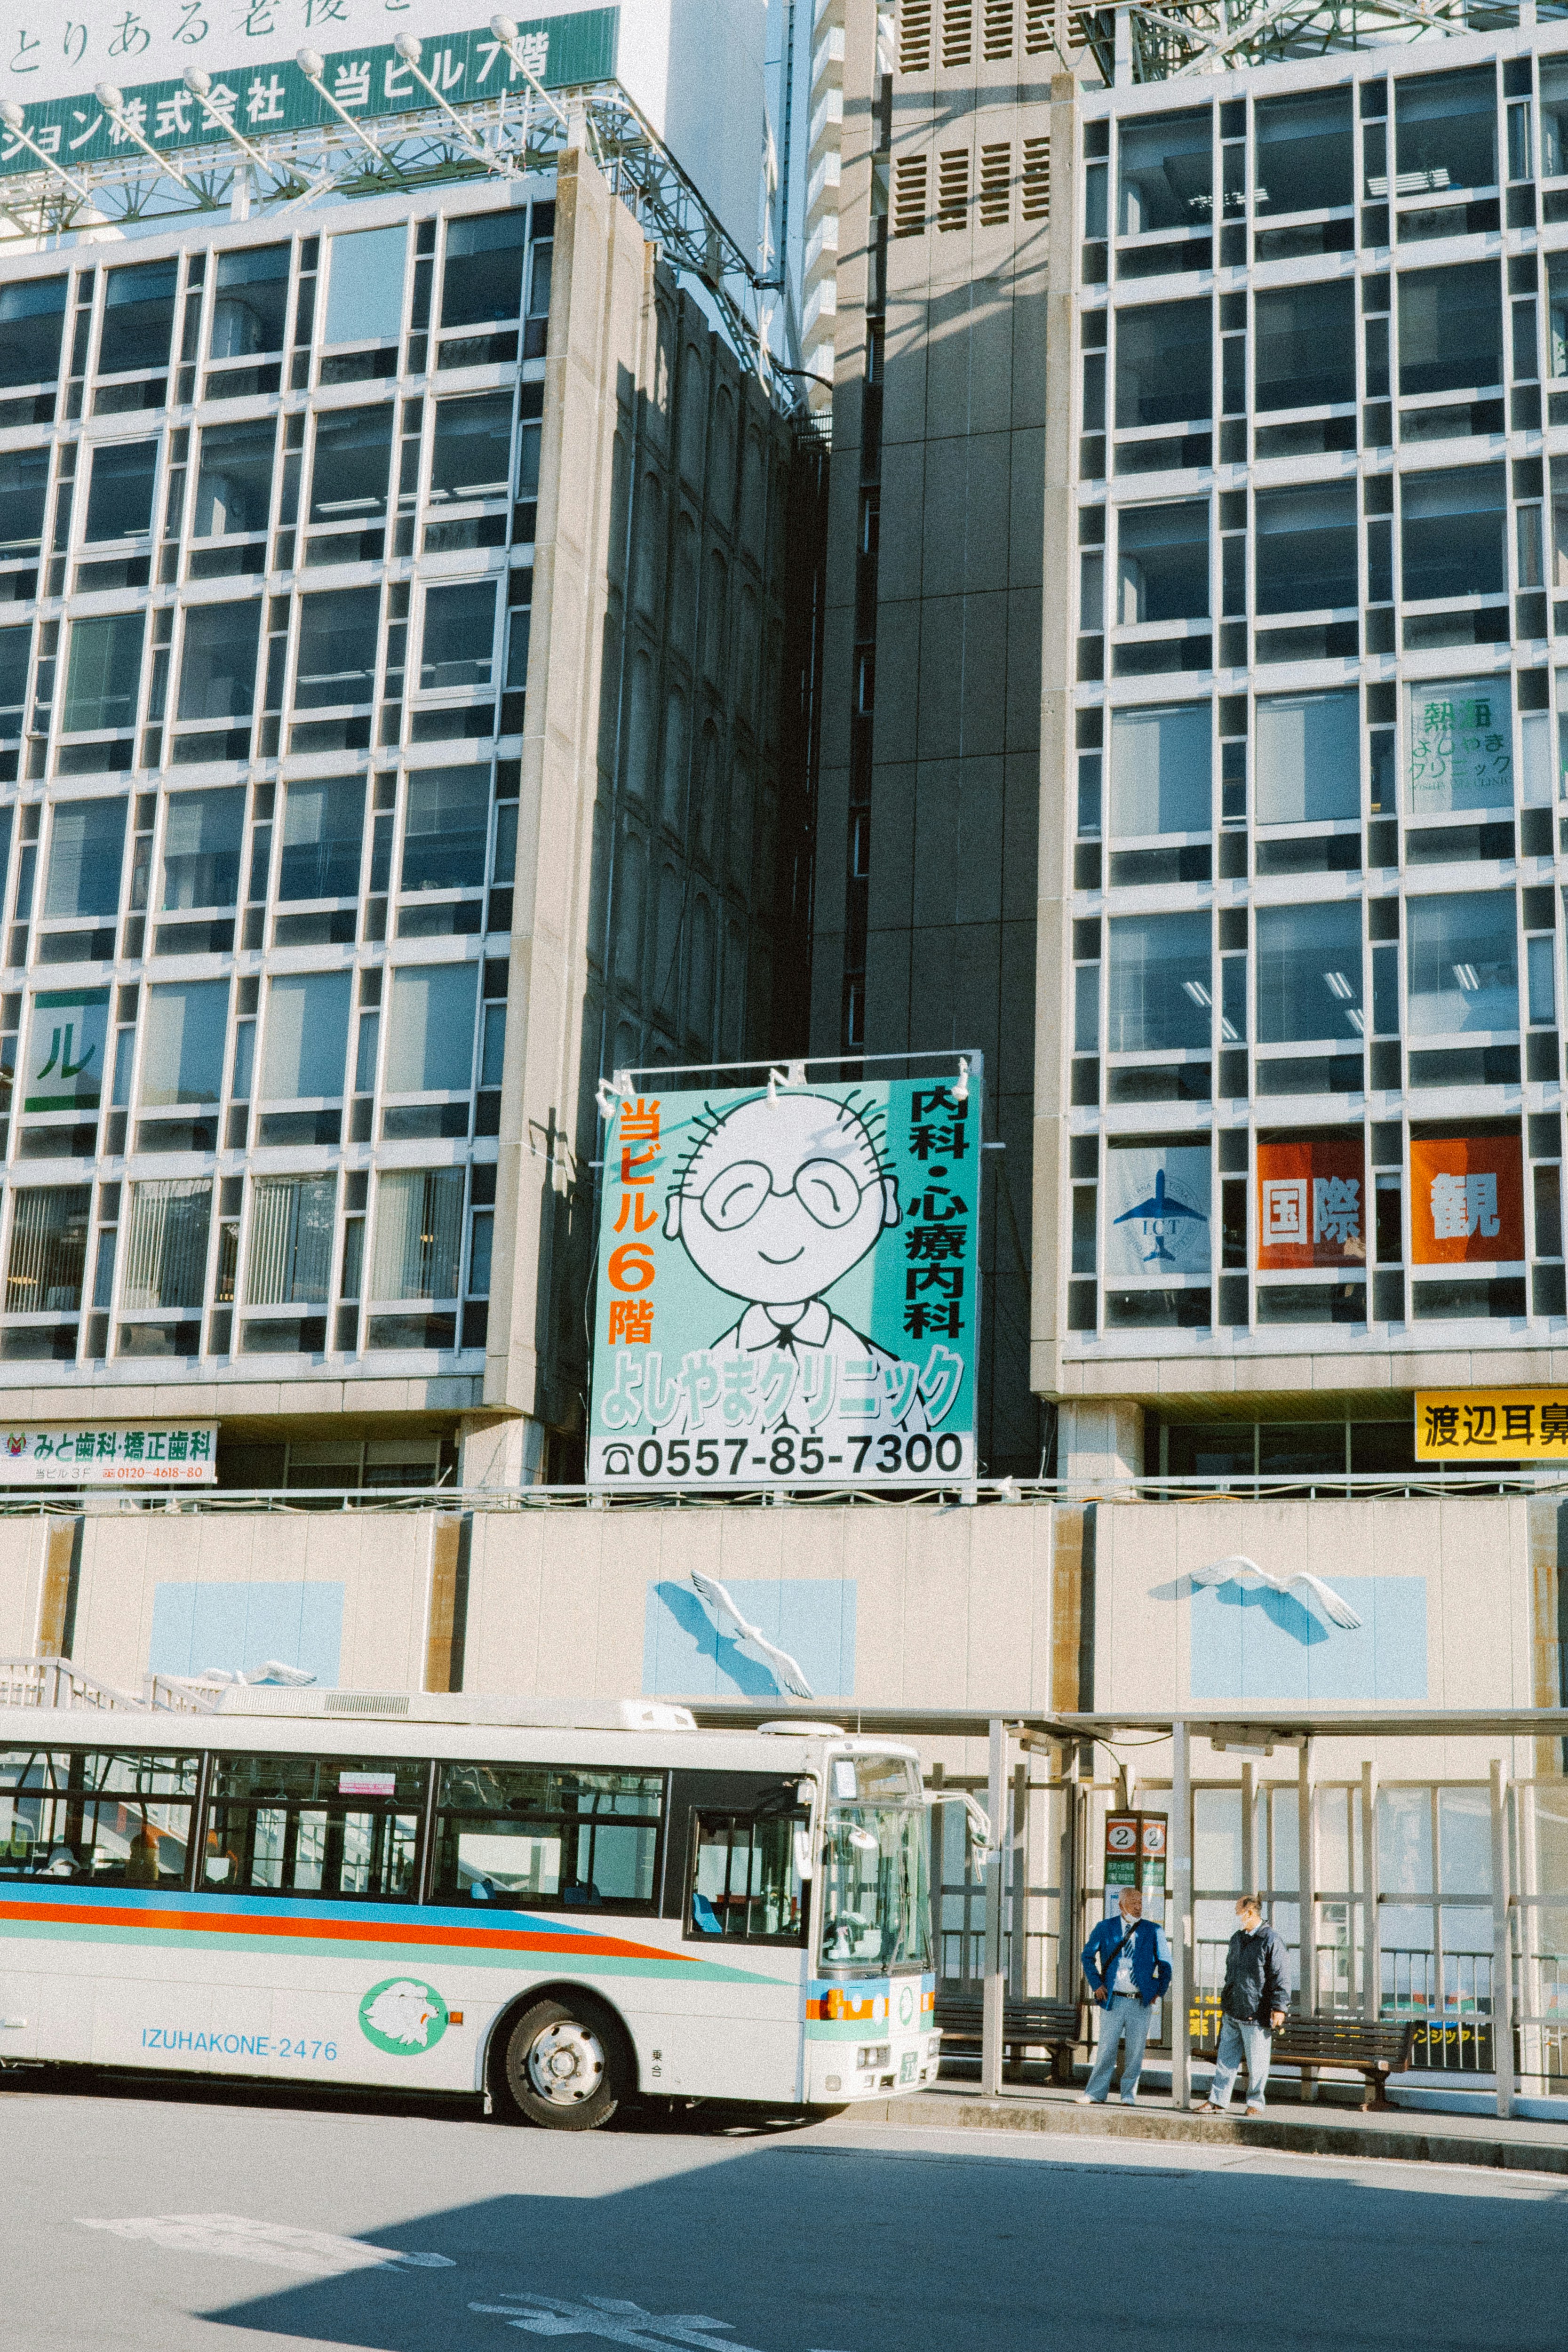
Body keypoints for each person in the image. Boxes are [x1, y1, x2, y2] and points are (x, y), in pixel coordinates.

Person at [1079, 1885, 1172, 2106]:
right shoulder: (1105, 1927)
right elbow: (1087, 1956)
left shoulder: (1153, 1930)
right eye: (1133, 1903)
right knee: (1106, 2049)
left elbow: (1166, 1965)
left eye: (1140, 1903)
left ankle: (1128, 2094)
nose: (1139, 1907)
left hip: (1140, 2000)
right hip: (1113, 1999)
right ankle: (1095, 2093)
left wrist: (1158, 1990)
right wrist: (1096, 1984)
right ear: (1121, 1905)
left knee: (1136, 2051)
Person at [1197, 1894, 1290, 2116]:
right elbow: (1231, 1973)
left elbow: (1281, 1976)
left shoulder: (1271, 1940)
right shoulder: (1237, 1939)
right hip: (1234, 2008)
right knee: (1225, 2059)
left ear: (1250, 1912)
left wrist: (1279, 2007)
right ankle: (1218, 2101)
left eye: (1238, 1911)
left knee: (1257, 2063)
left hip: (1256, 2011)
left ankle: (1256, 2103)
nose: (1235, 1916)